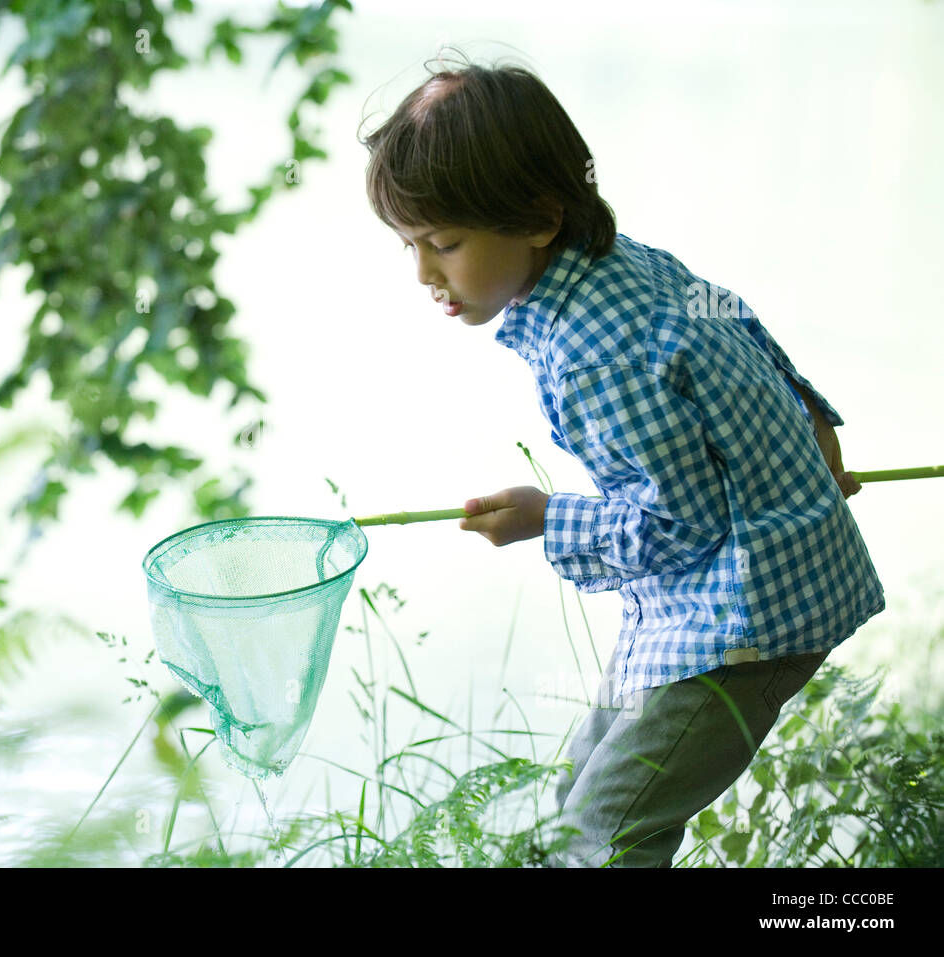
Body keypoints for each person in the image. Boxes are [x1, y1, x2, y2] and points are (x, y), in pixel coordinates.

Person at [359, 55, 885, 867]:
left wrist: (547, 517)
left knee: (608, 835)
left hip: (746, 615)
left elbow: (679, 523)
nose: (426, 272)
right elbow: (733, 315)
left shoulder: (590, 356)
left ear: (537, 218)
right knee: (572, 807)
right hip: (701, 597)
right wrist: (813, 421)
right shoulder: (624, 261)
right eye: (412, 246)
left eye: (445, 243)